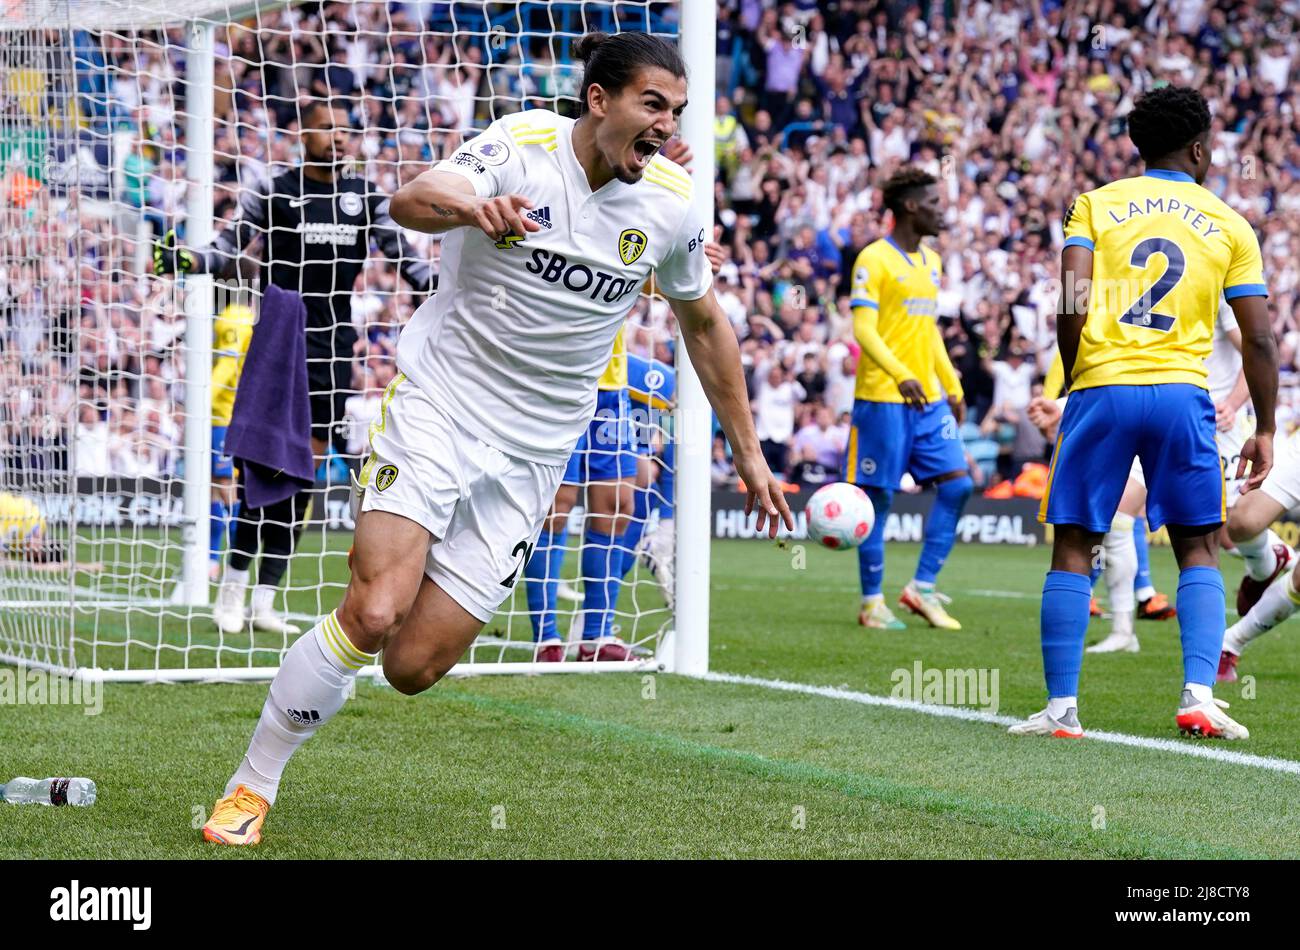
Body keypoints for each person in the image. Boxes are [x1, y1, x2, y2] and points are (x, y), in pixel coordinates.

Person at [199, 31, 792, 845]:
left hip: (533, 453)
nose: (665, 125)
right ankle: (250, 785)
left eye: (676, 112)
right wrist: (471, 206)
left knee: (412, 667)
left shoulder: (674, 201)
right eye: (651, 104)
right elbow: (412, 198)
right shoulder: (521, 143)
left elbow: (706, 324)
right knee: (373, 611)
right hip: (441, 406)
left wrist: (750, 454)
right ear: (599, 100)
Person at [1011, 86, 1277, 741]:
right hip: (1183, 394)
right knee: (1197, 546)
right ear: (1197, 146)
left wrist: (1078, 379)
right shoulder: (1229, 222)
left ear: (1138, 146)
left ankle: (1061, 710)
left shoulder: (1095, 205)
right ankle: (1196, 697)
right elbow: (1262, 340)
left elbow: (1070, 300)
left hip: (1104, 386)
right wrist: (1265, 427)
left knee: (1073, 541)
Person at [154, 99, 435, 636]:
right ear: (301, 134)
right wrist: (189, 260)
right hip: (280, 344)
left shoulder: (364, 197)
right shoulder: (275, 191)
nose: (338, 138)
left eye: (345, 131)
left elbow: (406, 258)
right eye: (327, 129)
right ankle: (231, 589)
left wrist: (438, 283)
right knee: (261, 467)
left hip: (333, 348)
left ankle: (264, 598)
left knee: (303, 476)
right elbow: (228, 246)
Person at [845, 166, 973, 631]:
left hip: (929, 399)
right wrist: (899, 374)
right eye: (936, 203)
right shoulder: (873, 259)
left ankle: (920, 587)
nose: (944, 210)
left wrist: (952, 384)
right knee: (877, 499)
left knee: (959, 485)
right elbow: (863, 329)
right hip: (882, 397)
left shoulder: (931, 262)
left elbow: (928, 331)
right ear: (911, 206)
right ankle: (871, 602)